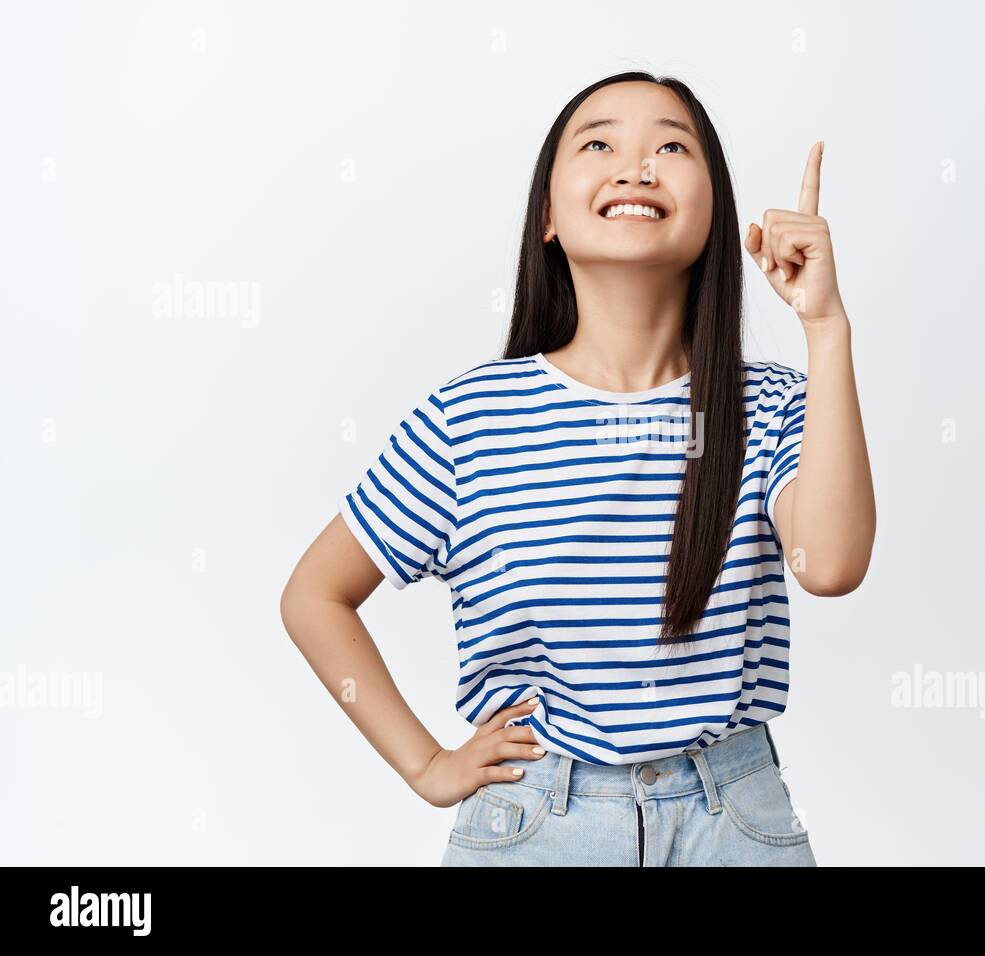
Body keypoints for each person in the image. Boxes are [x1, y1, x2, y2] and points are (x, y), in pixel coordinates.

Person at [280, 71, 875, 866]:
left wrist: (826, 327)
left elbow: (831, 566)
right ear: (549, 217)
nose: (637, 167)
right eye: (599, 144)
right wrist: (427, 764)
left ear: (717, 214)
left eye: (671, 144)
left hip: (732, 820)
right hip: (535, 824)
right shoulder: (469, 418)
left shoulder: (771, 406)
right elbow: (315, 595)